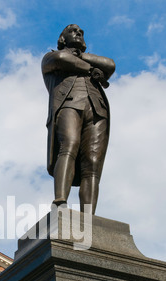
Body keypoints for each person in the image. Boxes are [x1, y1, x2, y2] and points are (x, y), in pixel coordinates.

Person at [42, 24, 115, 213]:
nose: (79, 33)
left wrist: (81, 58)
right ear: (62, 39)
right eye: (73, 31)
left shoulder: (84, 58)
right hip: (70, 104)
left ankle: (89, 216)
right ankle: (60, 201)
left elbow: (110, 64)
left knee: (92, 164)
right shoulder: (50, 57)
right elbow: (61, 58)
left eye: (81, 32)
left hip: (97, 110)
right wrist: (92, 70)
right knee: (69, 145)